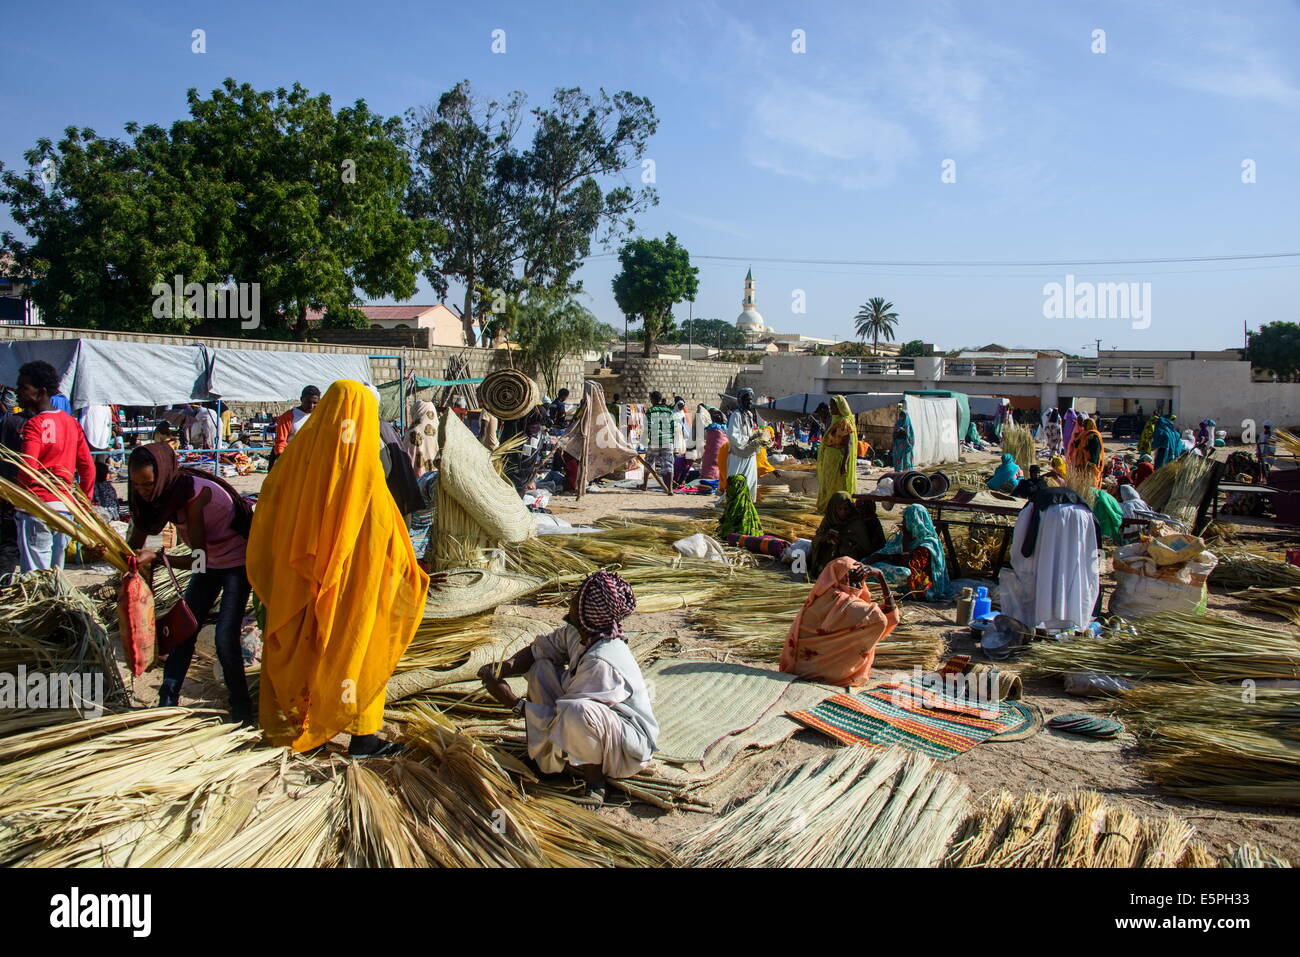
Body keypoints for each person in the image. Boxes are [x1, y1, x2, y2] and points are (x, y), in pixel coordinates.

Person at [247, 380, 429, 756]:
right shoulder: (365, 469)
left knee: (311, 650)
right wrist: (412, 573)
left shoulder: (299, 459)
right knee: (355, 650)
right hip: (354, 588)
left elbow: (271, 512)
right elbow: (385, 534)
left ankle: (305, 729)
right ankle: (362, 739)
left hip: (302, 584)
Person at [477, 570, 657, 808]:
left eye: (577, 597)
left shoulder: (601, 661)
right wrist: (501, 669)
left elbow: (567, 715)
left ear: (587, 609)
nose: (571, 600)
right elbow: (540, 650)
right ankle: (547, 760)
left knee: (577, 711)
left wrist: (513, 703)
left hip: (623, 745)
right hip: (585, 718)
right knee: (541, 668)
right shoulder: (579, 632)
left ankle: (595, 782)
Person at [126, 442, 255, 721]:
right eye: (136, 485)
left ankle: (241, 709)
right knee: (185, 629)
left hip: (236, 561)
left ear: (161, 476)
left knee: (225, 636)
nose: (142, 491)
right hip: (210, 561)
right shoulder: (158, 496)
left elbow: (199, 561)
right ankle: (167, 700)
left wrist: (158, 558)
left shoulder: (194, 496)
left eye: (147, 484)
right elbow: (134, 541)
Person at [13, 361, 95, 571]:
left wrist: (16, 496)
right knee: (56, 572)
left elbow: (27, 467)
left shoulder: (33, 425)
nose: (18, 393)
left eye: (23, 388)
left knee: (36, 576)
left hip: (36, 507)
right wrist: (83, 504)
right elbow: (88, 468)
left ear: (40, 392)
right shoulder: (71, 423)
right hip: (64, 508)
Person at [780, 558, 899, 688]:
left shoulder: (834, 600)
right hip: (816, 673)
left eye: (861, 581)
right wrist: (880, 576)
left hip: (805, 669)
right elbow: (881, 619)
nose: (859, 586)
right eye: (855, 580)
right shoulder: (836, 600)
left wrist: (881, 576)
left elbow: (891, 617)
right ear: (842, 578)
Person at [997, 486, 1100, 631]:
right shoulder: (1083, 507)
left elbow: (1021, 540)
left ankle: (1046, 619)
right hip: (1081, 518)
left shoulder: (1033, 505)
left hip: (1051, 517)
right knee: (1072, 566)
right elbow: (1091, 552)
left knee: (1048, 567)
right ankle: (1071, 619)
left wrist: (1023, 565)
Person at [869, 503, 951, 601]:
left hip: (919, 582)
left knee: (904, 573)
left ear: (913, 521)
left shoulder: (926, 545)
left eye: (905, 519)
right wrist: (867, 560)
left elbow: (910, 569)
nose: (903, 523)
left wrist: (905, 544)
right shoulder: (909, 537)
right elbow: (886, 552)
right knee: (876, 565)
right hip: (909, 573)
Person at [808, 491, 886, 576]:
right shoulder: (829, 520)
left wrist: (843, 542)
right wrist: (826, 538)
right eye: (839, 509)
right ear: (833, 508)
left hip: (848, 560)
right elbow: (817, 538)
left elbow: (865, 548)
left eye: (846, 509)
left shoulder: (856, 523)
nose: (843, 512)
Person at [815, 395, 857, 512]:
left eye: (833, 406)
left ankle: (835, 508)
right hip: (829, 459)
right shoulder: (834, 420)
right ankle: (827, 506)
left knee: (836, 485)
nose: (831, 408)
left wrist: (844, 464)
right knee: (827, 484)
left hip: (837, 459)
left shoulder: (845, 422)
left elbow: (848, 445)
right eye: (830, 406)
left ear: (840, 407)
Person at [725, 388, 764, 497]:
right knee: (737, 481)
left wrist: (756, 437)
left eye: (751, 400)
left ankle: (748, 504)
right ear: (741, 400)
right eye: (747, 400)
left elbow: (750, 433)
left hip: (750, 455)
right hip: (739, 455)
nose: (750, 402)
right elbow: (732, 435)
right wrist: (748, 440)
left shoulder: (750, 415)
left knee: (750, 482)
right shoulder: (736, 415)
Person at [270, 386, 320, 468]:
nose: (311, 406)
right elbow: (280, 441)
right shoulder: (289, 416)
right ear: (301, 399)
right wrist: (281, 459)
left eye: (315, 403)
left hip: (309, 460)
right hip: (289, 458)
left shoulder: (318, 416)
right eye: (308, 402)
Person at [642, 391, 678, 493]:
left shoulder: (650, 411)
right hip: (668, 441)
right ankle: (670, 489)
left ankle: (644, 485)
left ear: (652, 399)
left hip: (654, 441)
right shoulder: (669, 411)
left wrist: (645, 439)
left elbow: (647, 426)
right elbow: (672, 427)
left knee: (648, 462)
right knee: (669, 465)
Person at [718, 473, 762, 538]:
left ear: (737, 486)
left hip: (740, 537)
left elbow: (732, 523)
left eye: (730, 485)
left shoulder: (739, 505)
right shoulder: (734, 501)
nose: (726, 488)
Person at [1068, 416, 1105, 487]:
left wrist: (1092, 462)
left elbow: (1096, 451)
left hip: (1089, 463)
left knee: (1090, 480)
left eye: (1085, 424)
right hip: (1081, 461)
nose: (1083, 426)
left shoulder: (1094, 436)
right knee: (1082, 479)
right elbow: (1076, 444)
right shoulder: (1083, 434)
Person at [407, 399, 439, 475]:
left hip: (417, 480)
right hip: (437, 480)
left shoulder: (412, 432)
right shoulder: (441, 429)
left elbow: (406, 458)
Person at [698, 409, 728, 485]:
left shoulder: (710, 429)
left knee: (709, 461)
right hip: (721, 452)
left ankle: (709, 474)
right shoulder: (724, 429)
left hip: (710, 453)